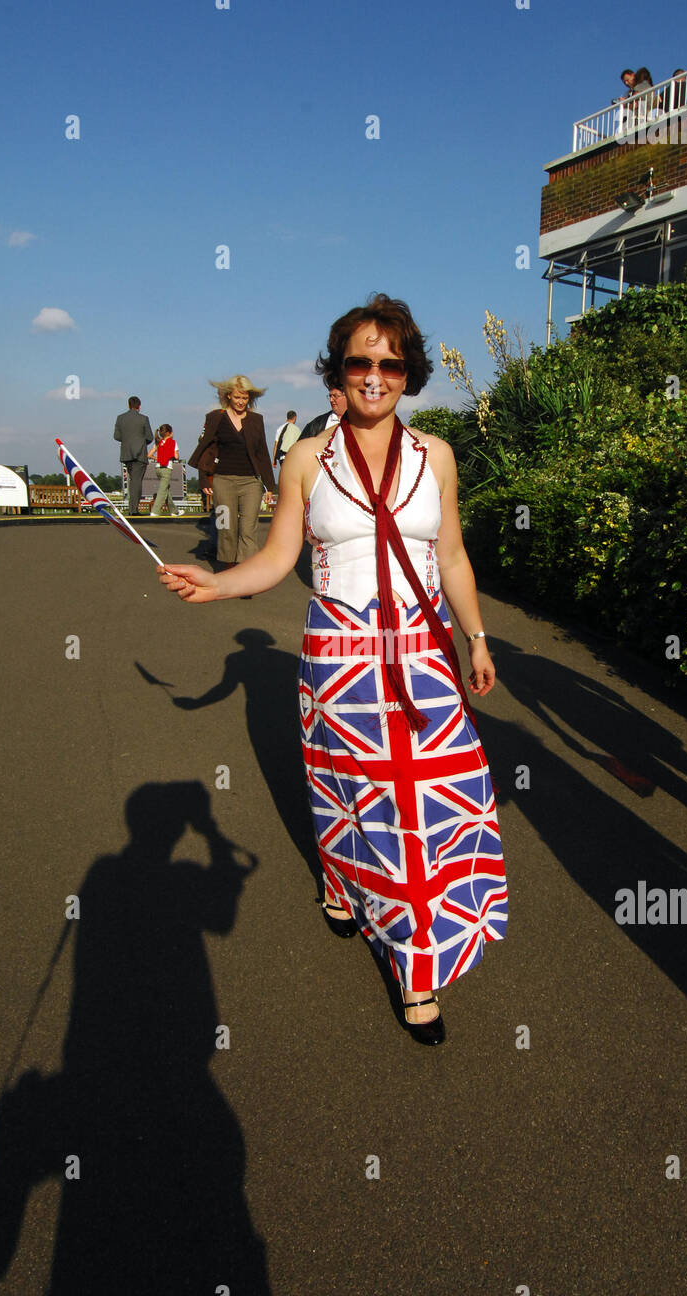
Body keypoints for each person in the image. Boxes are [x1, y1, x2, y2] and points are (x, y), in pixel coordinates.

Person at [159, 294, 508, 1046]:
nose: (374, 375)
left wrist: (476, 637)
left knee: (430, 810)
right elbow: (282, 558)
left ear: (407, 372)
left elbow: (449, 557)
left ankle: (415, 959)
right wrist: (218, 583)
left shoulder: (437, 457)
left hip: (421, 656)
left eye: (389, 362)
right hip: (342, 659)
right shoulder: (308, 458)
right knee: (351, 790)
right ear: (339, 373)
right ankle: (358, 897)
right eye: (360, 361)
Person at [186, 376, 277, 571]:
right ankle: (228, 567)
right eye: (237, 397)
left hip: (251, 482)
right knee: (226, 526)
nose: (241, 402)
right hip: (223, 481)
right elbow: (206, 449)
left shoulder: (256, 420)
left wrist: (270, 486)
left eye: (245, 398)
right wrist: (203, 479)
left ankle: (245, 572)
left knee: (248, 529)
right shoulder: (215, 418)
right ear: (229, 396)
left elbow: (262, 453)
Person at [114, 396, 154, 517]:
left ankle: (132, 508)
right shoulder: (144, 419)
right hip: (139, 453)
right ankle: (133, 509)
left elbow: (116, 436)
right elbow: (149, 437)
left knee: (132, 481)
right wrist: (140, 442)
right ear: (139, 406)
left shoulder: (120, 418)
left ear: (128, 405)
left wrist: (128, 441)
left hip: (126, 454)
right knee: (136, 481)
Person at [147, 425, 183, 517]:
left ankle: (174, 511)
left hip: (158, 468)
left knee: (166, 490)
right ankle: (155, 511)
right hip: (167, 468)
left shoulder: (158, 442)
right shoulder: (173, 442)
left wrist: (157, 458)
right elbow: (176, 456)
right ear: (169, 433)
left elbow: (149, 455)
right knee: (162, 490)